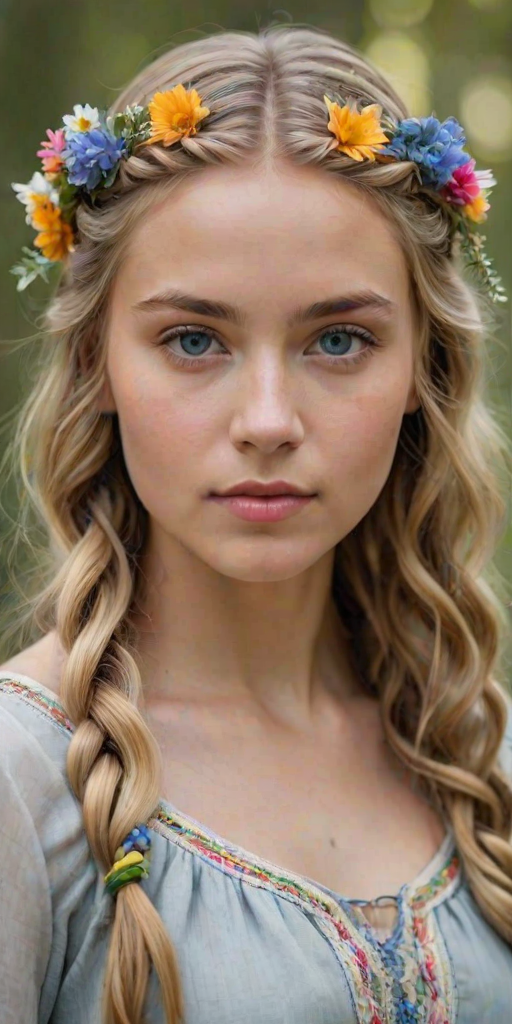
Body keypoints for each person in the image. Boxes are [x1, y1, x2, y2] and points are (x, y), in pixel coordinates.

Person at [0, 22, 511, 1024]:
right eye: (193, 338)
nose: (268, 421)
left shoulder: (479, 756)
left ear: (421, 367)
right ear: (99, 361)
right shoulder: (21, 786)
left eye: (337, 339)